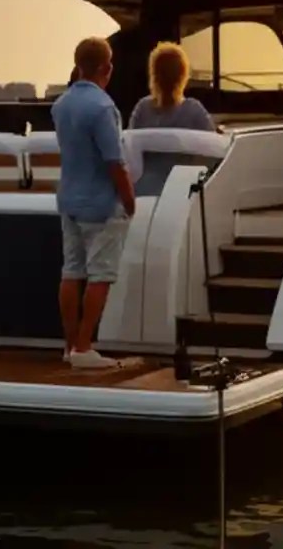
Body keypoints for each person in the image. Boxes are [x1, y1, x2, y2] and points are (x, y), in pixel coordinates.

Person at [51, 37, 137, 369]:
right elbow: (114, 161)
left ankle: (70, 345)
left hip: (69, 199)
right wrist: (129, 200)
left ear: (77, 65)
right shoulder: (103, 108)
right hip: (101, 204)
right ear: (107, 67)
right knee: (100, 274)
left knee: (71, 271)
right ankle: (85, 347)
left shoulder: (61, 105)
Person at [127, 42, 217, 131]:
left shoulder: (194, 111)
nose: (166, 79)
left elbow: (211, 140)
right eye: (162, 73)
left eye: (171, 73)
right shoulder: (143, 109)